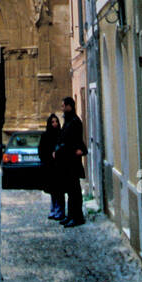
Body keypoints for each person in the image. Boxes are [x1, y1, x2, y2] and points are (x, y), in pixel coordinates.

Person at [54, 96, 87, 227]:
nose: (62, 108)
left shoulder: (74, 121)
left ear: (69, 106)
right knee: (70, 190)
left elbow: (74, 141)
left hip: (72, 162)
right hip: (67, 162)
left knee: (74, 191)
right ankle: (71, 215)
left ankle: (77, 217)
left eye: (63, 106)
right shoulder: (68, 121)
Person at [38, 113, 65, 221]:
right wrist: (47, 159)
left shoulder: (60, 134)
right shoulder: (45, 135)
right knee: (53, 190)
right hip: (49, 166)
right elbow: (41, 150)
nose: (55, 124)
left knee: (60, 190)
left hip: (59, 166)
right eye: (52, 122)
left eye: (56, 121)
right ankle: (53, 209)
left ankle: (60, 211)